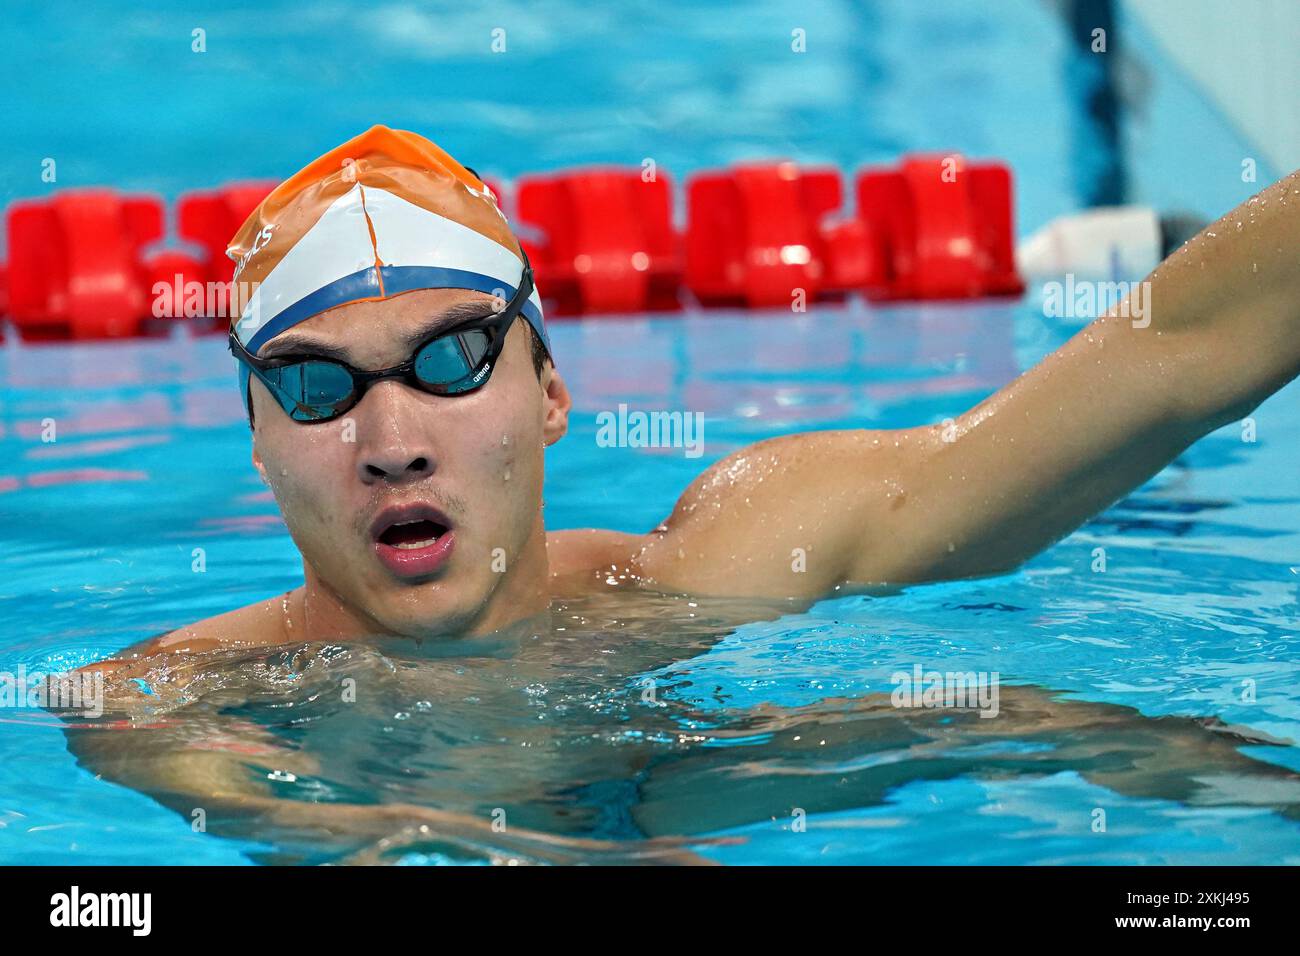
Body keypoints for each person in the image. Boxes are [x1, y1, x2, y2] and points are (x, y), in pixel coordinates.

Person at [64, 126, 1300, 862]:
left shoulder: (709, 564)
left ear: (551, 391)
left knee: (1017, 713)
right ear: (258, 441)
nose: (392, 440)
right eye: (317, 386)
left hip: (680, 788)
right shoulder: (162, 698)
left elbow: (1169, 357)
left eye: (452, 360)